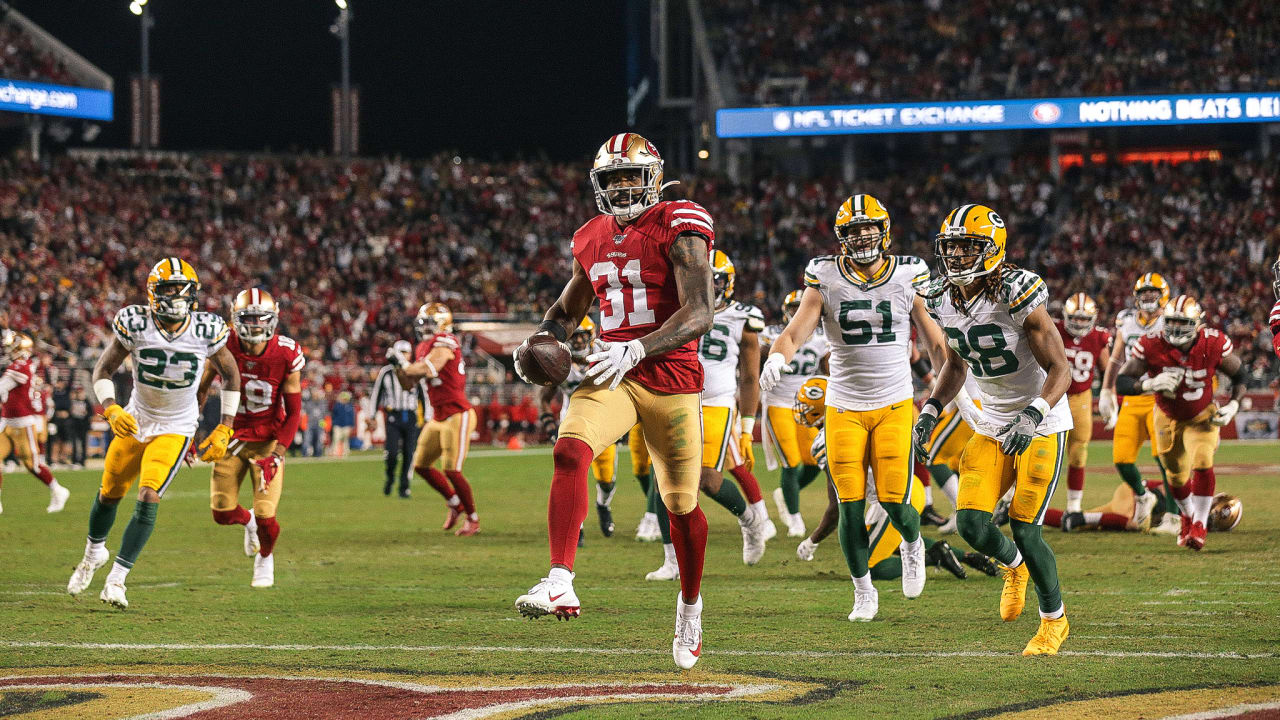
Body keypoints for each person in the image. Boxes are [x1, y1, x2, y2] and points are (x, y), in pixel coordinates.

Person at [512, 132, 714, 669]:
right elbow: (565, 310)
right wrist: (536, 344)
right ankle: (560, 580)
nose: (624, 187)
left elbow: (699, 312)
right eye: (613, 178)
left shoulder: (681, 222)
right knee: (569, 450)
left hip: (671, 377)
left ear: (651, 178)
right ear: (599, 185)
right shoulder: (590, 238)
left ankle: (690, 607)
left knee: (681, 506)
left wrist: (638, 347)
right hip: (614, 374)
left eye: (632, 176)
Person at [761, 194, 947, 623]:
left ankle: (912, 544)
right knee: (848, 504)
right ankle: (863, 591)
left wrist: (950, 389)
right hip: (843, 404)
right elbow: (795, 331)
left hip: (894, 402)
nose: (862, 237)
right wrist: (777, 357)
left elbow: (935, 341)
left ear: (884, 231)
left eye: (868, 229)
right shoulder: (824, 275)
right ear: (841, 237)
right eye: (853, 231)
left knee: (897, 500)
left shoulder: (907, 274)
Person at [912, 204, 1073, 656]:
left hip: (1042, 419)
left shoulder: (1017, 293)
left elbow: (1062, 370)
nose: (958, 256)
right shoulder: (940, 296)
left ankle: (1053, 621)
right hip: (991, 420)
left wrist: (1035, 414)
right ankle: (1015, 568)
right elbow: (957, 363)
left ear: (993, 250)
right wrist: (931, 408)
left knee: (1026, 526)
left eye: (968, 247)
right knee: (971, 524)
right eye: (953, 247)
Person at [66, 258, 241, 609]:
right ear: (152, 293)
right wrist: (111, 407)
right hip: (137, 417)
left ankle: (117, 580)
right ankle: (92, 554)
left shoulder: (206, 329)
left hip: (177, 426)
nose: (176, 296)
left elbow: (232, 375)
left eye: (182, 289)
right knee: (109, 492)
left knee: (148, 495)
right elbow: (104, 368)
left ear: (193, 293)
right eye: (168, 289)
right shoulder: (136, 322)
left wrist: (225, 427)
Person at [646, 250, 773, 581]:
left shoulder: (743, 318)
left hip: (716, 402)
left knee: (706, 480)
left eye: (715, 278)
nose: (709, 285)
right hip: (678, 397)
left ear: (727, 282)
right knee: (664, 479)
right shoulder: (675, 309)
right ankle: (671, 560)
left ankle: (750, 519)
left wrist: (746, 427)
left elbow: (749, 377)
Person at [793, 376, 998, 579]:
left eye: (804, 405)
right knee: (888, 540)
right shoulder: (862, 419)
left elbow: (835, 508)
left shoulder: (826, 440)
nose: (800, 409)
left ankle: (934, 556)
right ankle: (967, 556)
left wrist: (812, 541)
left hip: (893, 497)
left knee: (869, 565)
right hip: (906, 488)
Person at [1115, 295, 1246, 551]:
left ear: (1197, 324)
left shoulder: (1214, 342)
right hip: (1166, 415)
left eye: (1182, 322)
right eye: (1171, 322)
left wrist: (1234, 404)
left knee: (1203, 460)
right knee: (1175, 475)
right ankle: (1186, 515)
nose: (1175, 328)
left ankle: (1199, 525)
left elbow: (1240, 375)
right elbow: (1122, 381)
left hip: (1201, 415)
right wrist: (1148, 384)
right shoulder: (1151, 344)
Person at [197, 288, 305, 588]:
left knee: (267, 513)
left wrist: (278, 453)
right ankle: (249, 523)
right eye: (248, 318)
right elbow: (202, 389)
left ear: (273, 319)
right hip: (230, 437)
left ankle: (266, 557)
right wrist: (189, 432)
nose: (255, 325)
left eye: (261, 319)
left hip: (267, 439)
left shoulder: (286, 352)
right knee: (221, 512)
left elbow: (294, 411)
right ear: (235, 318)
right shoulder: (223, 344)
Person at [390, 301, 480, 537]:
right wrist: (399, 368)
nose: (425, 328)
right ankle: (454, 503)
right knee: (420, 465)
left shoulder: (445, 342)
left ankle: (473, 518)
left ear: (442, 325)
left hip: (457, 414)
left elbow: (430, 368)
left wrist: (403, 363)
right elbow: (408, 383)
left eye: (430, 323)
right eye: (423, 323)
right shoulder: (422, 346)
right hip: (439, 416)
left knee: (452, 469)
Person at [1098, 274, 1170, 532]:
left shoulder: (1169, 320)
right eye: (1144, 293)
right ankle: (1143, 496)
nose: (1149, 297)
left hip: (1160, 398)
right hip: (1132, 396)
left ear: (1164, 294)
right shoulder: (1126, 322)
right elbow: (1116, 359)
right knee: (1121, 458)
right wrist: (1107, 390)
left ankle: (1174, 516)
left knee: (1165, 459)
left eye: (1153, 292)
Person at [539, 318, 621, 538]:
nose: (577, 341)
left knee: (607, 480)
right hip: (572, 424)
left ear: (591, 335)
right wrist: (550, 427)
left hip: (603, 424)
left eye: (582, 336)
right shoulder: (560, 361)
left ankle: (603, 506)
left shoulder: (606, 355)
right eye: (573, 336)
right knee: (574, 476)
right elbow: (544, 398)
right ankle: (577, 526)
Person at [760, 290, 829, 537]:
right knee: (790, 462)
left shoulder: (822, 337)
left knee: (815, 461)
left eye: (802, 306)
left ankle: (787, 494)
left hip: (806, 406)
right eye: (794, 307)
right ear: (785, 309)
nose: (798, 311)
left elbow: (828, 371)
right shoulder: (771, 334)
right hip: (778, 403)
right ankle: (794, 518)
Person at [1054, 293, 1113, 530]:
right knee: (1042, 454)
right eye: (1075, 318)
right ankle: (1013, 500)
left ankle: (1074, 507)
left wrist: (1110, 397)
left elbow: (1107, 370)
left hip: (1081, 399)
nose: (1078, 323)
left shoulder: (1099, 337)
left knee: (1078, 454)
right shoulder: (1054, 330)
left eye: (1083, 319)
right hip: (1053, 397)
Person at [0, 331, 70, 513]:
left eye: (10, 347)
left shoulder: (20, 367)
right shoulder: (23, 364)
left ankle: (58, 489)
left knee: (33, 465)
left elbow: (1, 387)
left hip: (22, 422)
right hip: (6, 420)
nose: (7, 350)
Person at [373, 340, 426, 498]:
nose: (404, 356)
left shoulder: (415, 370)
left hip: (410, 415)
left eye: (406, 352)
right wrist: (372, 415)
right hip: (393, 416)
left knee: (409, 453)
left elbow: (424, 396)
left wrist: (428, 417)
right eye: (400, 353)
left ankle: (404, 487)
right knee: (392, 453)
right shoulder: (386, 372)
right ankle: (390, 477)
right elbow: (377, 394)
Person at [67, 384, 91, 468]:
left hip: (83, 425)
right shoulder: (72, 400)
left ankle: (83, 460)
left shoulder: (86, 401)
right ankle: (74, 460)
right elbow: (68, 411)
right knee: (74, 443)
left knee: (83, 443)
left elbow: (91, 413)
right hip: (74, 424)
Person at [330, 391, 355, 457]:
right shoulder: (337, 405)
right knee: (336, 439)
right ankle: (335, 452)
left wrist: (352, 425)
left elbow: (352, 416)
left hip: (346, 425)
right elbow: (333, 415)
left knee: (346, 440)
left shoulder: (350, 406)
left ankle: (345, 452)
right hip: (338, 425)